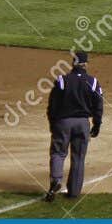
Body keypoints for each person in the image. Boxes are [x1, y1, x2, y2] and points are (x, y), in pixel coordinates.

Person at [46, 50, 104, 202]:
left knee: (58, 153)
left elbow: (52, 105)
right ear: (86, 65)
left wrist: (53, 124)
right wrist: (97, 124)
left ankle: (56, 181)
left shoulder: (62, 80)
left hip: (63, 122)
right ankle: (74, 192)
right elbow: (99, 105)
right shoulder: (93, 82)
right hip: (82, 123)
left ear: (73, 63)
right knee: (78, 157)